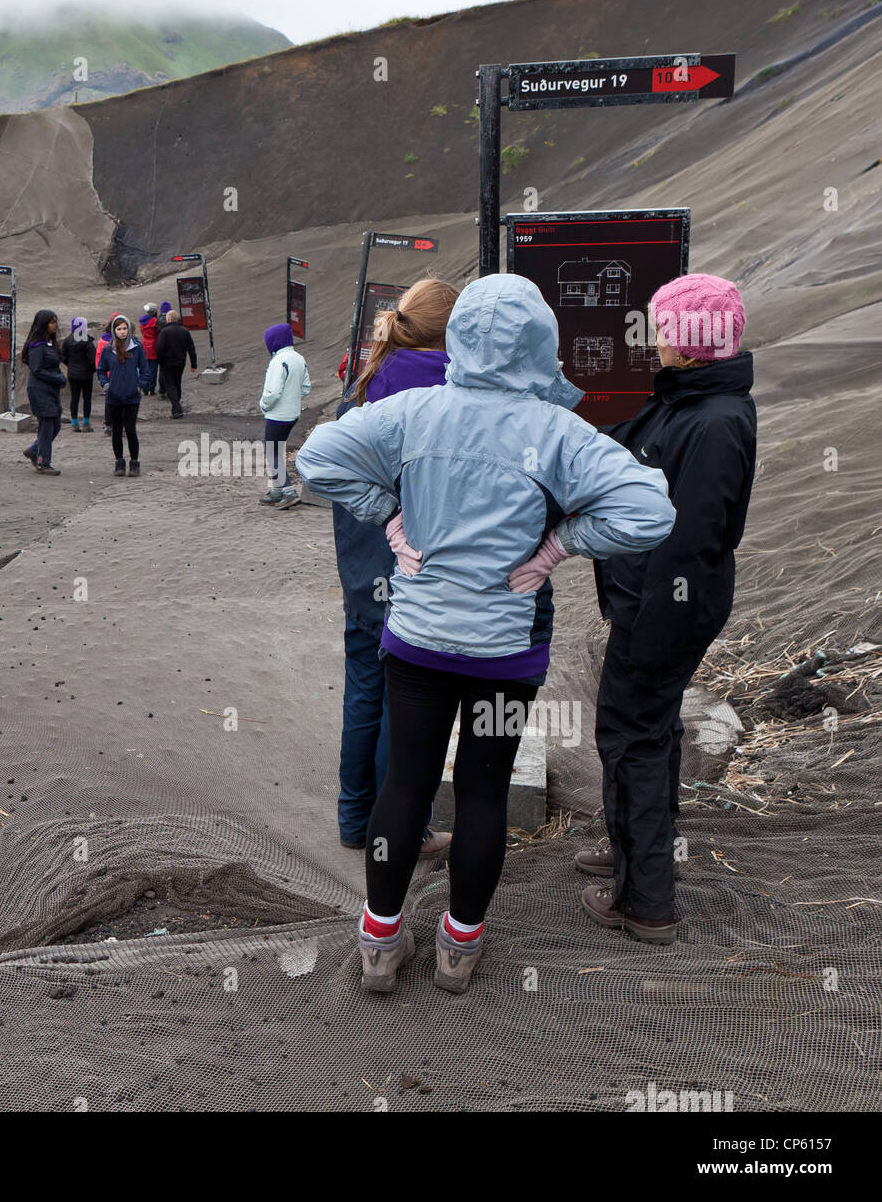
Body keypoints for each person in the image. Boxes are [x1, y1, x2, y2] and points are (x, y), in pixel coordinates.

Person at [296, 274, 676, 995]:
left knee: (405, 784)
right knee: (483, 792)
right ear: (541, 343)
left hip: (416, 642)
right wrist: (559, 546)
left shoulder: (412, 411)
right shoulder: (559, 432)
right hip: (505, 654)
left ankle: (379, 941)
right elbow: (649, 513)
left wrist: (390, 517)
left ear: (461, 338)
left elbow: (317, 459)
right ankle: (459, 949)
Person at [578, 273, 757, 945]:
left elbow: (690, 545)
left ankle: (644, 900)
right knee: (649, 731)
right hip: (655, 601)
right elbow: (630, 437)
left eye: (661, 329)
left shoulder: (712, 425)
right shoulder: (697, 399)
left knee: (632, 738)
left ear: (686, 344)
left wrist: (650, 633)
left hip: (663, 610)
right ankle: (635, 849)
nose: (650, 338)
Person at [332, 278, 460, 860]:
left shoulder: (360, 390)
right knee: (406, 707)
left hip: (363, 571)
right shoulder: (450, 397)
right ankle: (402, 829)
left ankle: (356, 819)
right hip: (419, 577)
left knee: (365, 692)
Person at [258, 323, 311, 507]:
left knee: (272, 452)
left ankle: (288, 491)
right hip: (293, 413)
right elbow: (306, 387)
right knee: (276, 450)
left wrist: (264, 405)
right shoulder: (298, 358)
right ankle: (276, 490)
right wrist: (293, 397)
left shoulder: (278, 361)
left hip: (277, 415)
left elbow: (272, 393)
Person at [97, 314, 147, 477]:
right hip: (114, 396)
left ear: (129, 329)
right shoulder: (108, 349)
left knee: (131, 430)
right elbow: (101, 369)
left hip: (132, 396)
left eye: (125, 328)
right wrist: (105, 384)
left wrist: (139, 385)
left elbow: (146, 370)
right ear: (114, 331)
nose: (122, 332)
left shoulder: (136, 347)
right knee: (116, 430)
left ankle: (134, 462)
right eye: (119, 329)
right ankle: (119, 462)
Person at [21, 309, 66, 475]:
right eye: (52, 322)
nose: (55, 325)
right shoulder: (36, 346)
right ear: (43, 325)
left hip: (50, 390)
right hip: (40, 390)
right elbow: (37, 369)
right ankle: (43, 462)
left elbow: (54, 366)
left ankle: (34, 450)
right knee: (47, 426)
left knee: (56, 425)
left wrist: (59, 376)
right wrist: (58, 379)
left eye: (55, 322)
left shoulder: (49, 344)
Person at [155, 309, 197, 417]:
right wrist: (193, 364)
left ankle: (177, 408)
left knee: (170, 385)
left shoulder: (164, 332)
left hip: (167, 363)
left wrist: (159, 361)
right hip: (180, 362)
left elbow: (159, 349)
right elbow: (191, 349)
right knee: (177, 383)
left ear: (168, 319)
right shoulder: (184, 331)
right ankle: (175, 409)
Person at [60, 316, 96, 432]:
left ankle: (74, 422)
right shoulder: (88, 341)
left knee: (74, 398)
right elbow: (92, 359)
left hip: (73, 373)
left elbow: (63, 356)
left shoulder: (67, 340)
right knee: (87, 398)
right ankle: (86, 423)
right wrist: (92, 369)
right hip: (86, 374)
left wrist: (70, 365)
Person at [138, 303, 160, 394]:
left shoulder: (143, 321)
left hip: (145, 344)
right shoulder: (155, 321)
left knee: (145, 368)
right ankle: (151, 388)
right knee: (153, 369)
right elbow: (157, 333)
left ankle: (145, 388)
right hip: (153, 345)